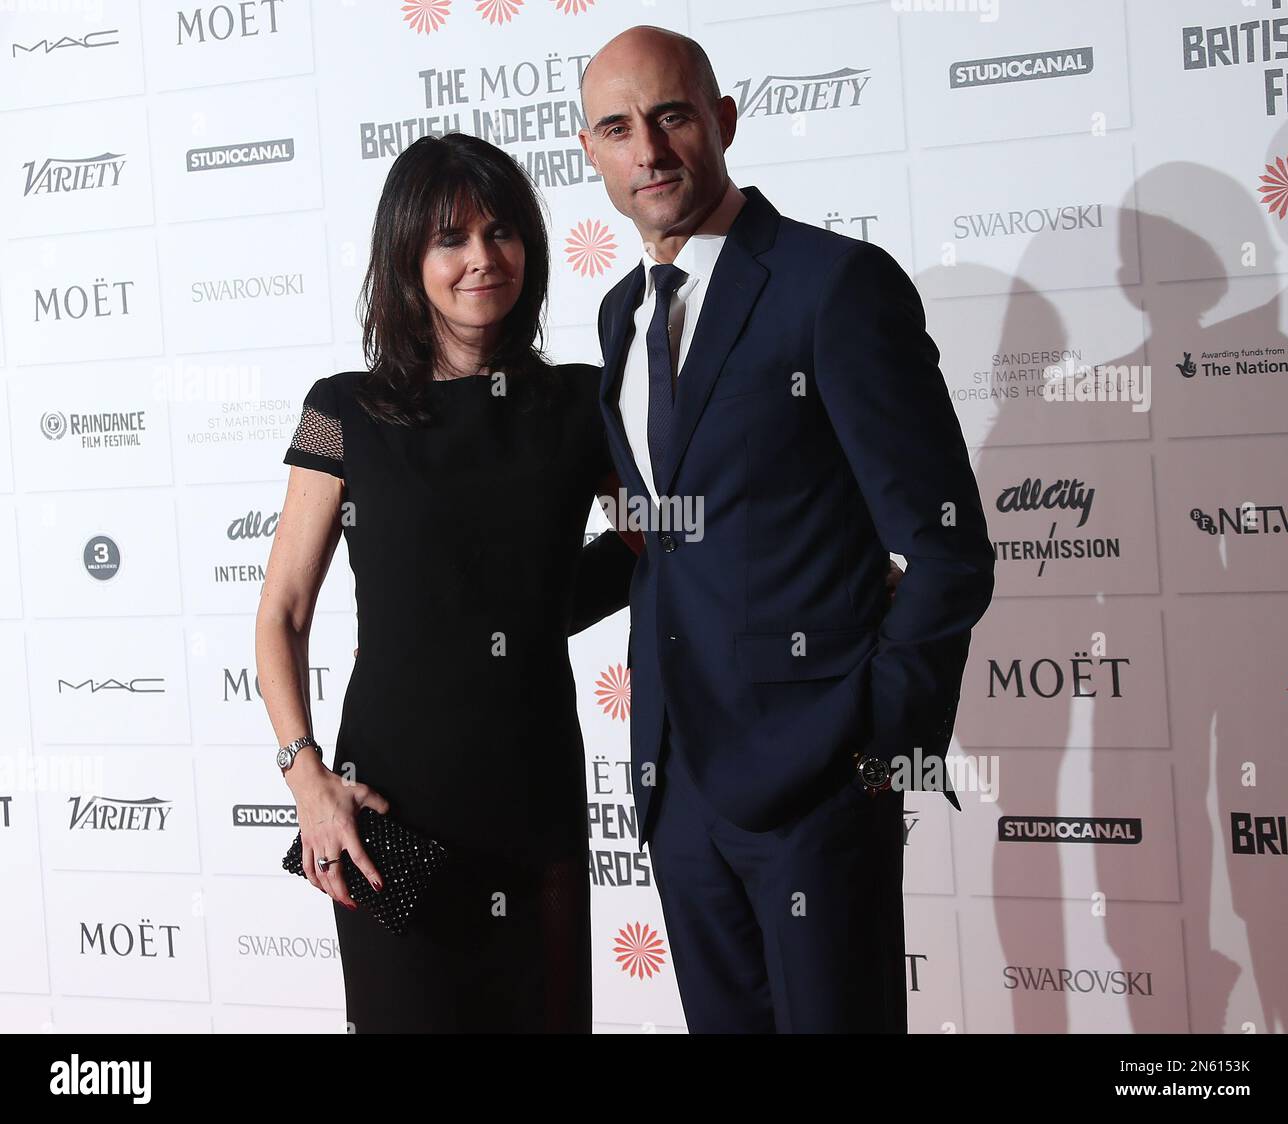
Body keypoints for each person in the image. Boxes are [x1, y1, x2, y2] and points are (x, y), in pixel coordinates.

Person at [576, 26, 996, 1033]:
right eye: (617, 126)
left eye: (672, 115)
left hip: (817, 784)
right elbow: (666, 536)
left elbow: (945, 546)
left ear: (721, 120)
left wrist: (874, 745)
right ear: (588, 150)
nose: (649, 149)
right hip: (676, 780)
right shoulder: (617, 318)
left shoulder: (831, 284)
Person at [253, 132, 636, 1033]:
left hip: (531, 792)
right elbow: (283, 611)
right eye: (450, 240)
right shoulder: (345, 410)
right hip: (386, 803)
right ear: (407, 258)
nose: (480, 260)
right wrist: (306, 776)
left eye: (501, 233)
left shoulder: (581, 402)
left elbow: (655, 547)